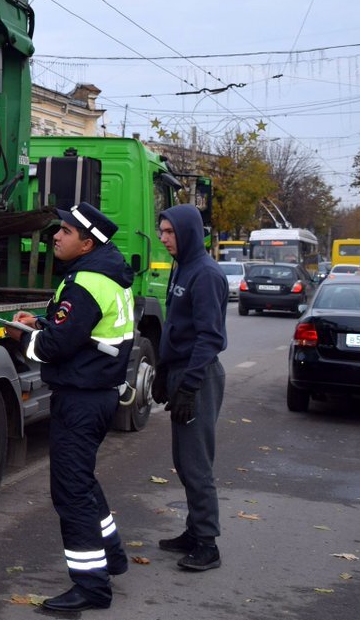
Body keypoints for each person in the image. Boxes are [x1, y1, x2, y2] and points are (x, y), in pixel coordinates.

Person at [6, 202, 136, 613]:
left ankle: (92, 588)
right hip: (96, 394)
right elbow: (81, 333)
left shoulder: (86, 281)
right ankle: (112, 556)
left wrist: (21, 336)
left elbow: (55, 348)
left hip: (81, 400)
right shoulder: (107, 274)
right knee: (83, 483)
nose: (55, 236)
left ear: (86, 242)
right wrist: (42, 323)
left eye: (64, 231)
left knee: (72, 492)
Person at [152, 204, 228, 571]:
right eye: (162, 231)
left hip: (199, 376)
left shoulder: (207, 274)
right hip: (182, 372)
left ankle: (208, 544)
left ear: (188, 232)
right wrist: (164, 373)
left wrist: (189, 386)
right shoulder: (182, 266)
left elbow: (210, 338)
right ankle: (193, 531)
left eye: (169, 232)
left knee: (197, 465)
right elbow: (175, 327)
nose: (163, 238)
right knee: (184, 462)